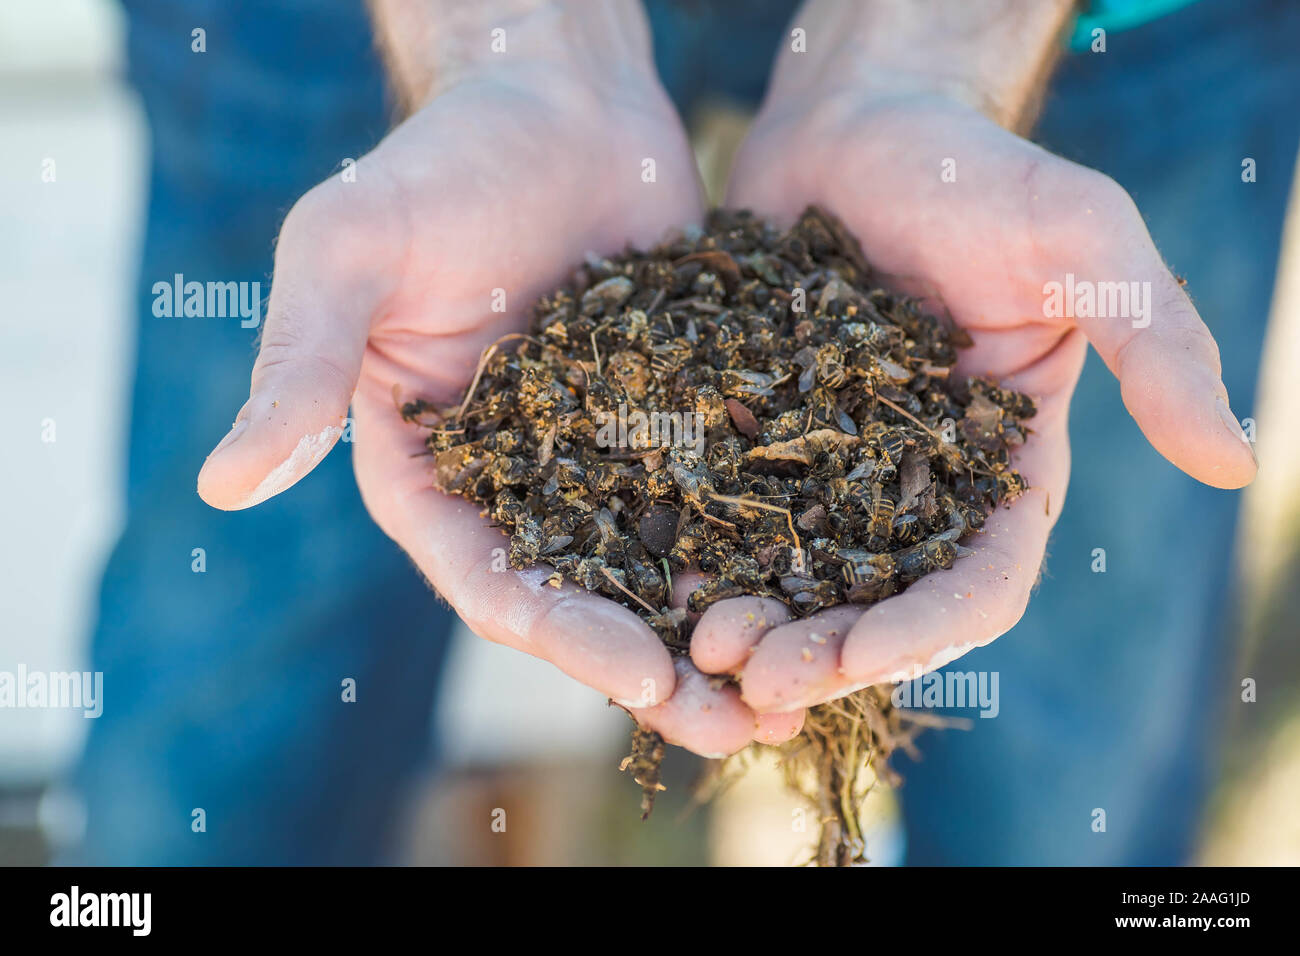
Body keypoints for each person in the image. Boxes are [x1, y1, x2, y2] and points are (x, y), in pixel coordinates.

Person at [73, 0, 1297, 864]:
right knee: (221, 737)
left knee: (1067, 769)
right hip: (341, 28)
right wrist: (504, 39)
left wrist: (929, 44)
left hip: (1092, 32)